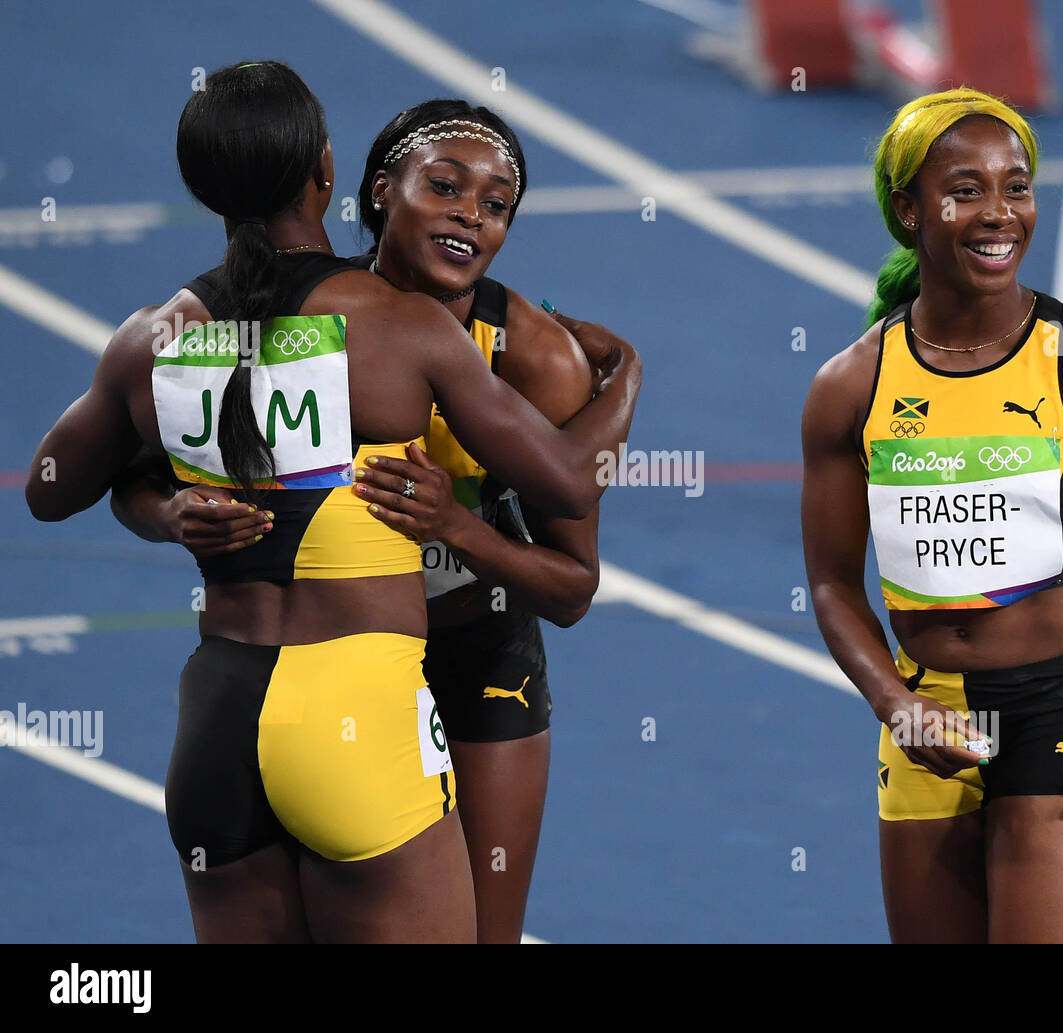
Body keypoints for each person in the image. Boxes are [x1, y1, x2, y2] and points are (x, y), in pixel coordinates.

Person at [27, 61, 641, 943]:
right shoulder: (401, 326)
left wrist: (167, 512)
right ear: (334, 172)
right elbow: (572, 478)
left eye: (496, 201)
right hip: (353, 707)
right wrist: (627, 376)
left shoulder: (156, 335)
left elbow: (51, 490)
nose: (472, 213)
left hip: (219, 713)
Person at [800, 87, 1063, 943]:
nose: (999, 213)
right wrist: (892, 701)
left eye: (1016, 187)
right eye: (966, 188)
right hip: (928, 718)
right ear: (909, 210)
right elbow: (833, 585)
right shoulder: (850, 387)